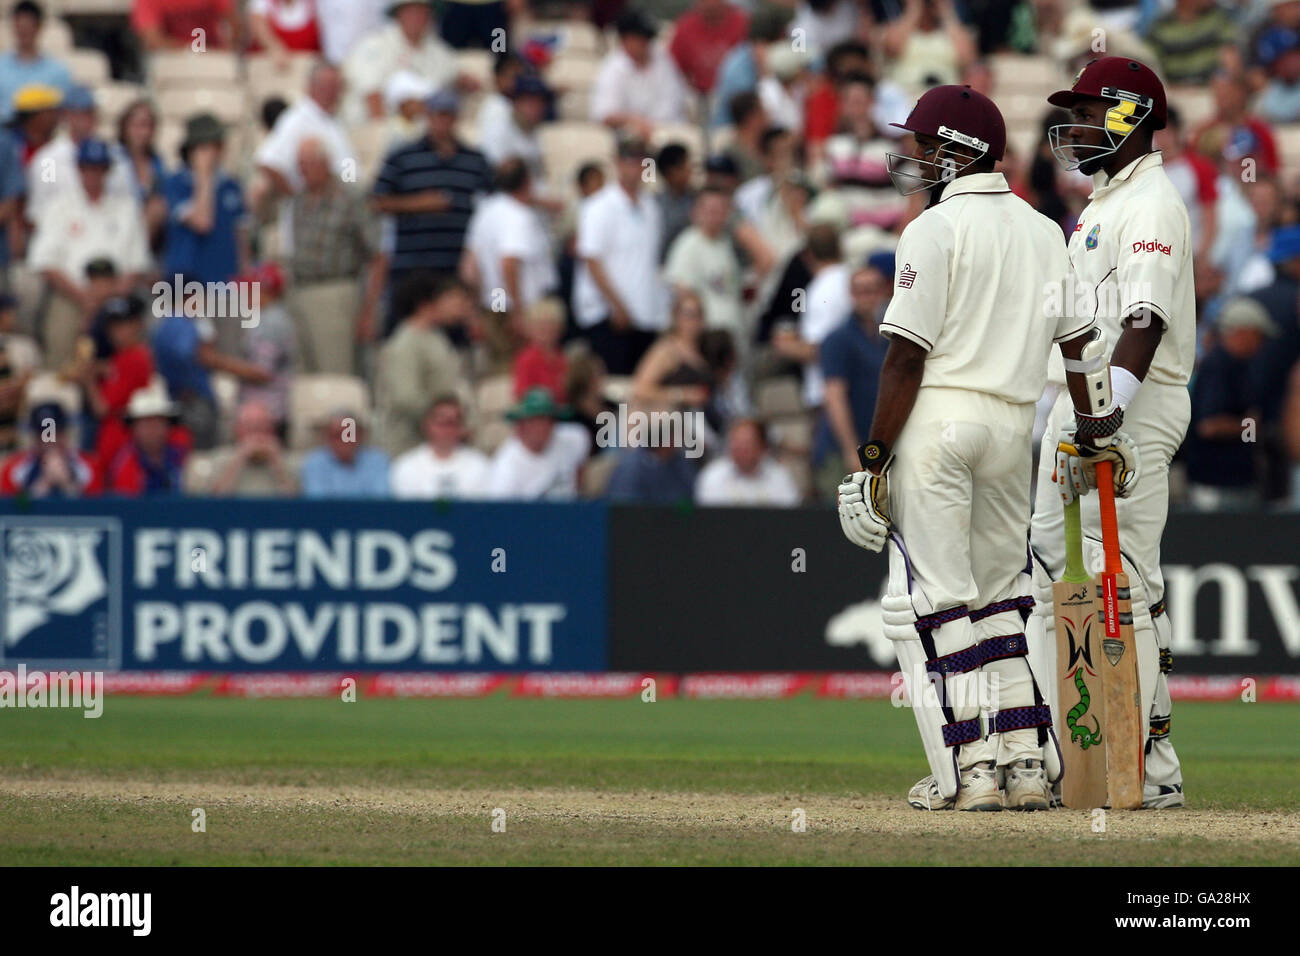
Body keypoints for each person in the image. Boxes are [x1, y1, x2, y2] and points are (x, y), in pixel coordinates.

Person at [837, 85, 1114, 812]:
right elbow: (1080, 346)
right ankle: (1025, 764)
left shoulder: (933, 228)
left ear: (957, 150)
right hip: (1011, 426)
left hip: (940, 422)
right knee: (1003, 600)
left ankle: (973, 769)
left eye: (925, 146)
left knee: (940, 601)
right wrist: (1095, 432)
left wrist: (871, 460)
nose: (915, 157)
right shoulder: (1042, 229)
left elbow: (903, 358)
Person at [1030, 57, 1197, 810]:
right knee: (1052, 582)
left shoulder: (1152, 204)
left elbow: (1144, 321)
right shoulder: (1102, 203)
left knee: (1123, 585)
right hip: (1083, 409)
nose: (1079, 127)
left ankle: (1151, 769)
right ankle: (1075, 756)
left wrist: (1108, 414)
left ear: (1132, 115)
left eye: (1092, 111)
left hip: (1131, 406)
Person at [371, 88, 491, 333]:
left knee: (452, 346)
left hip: (454, 269)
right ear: (428, 117)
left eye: (448, 116)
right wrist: (419, 203)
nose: (442, 122)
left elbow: (491, 207)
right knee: (405, 339)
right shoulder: (401, 157)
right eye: (437, 115)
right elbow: (376, 202)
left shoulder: (475, 160)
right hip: (411, 268)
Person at [26, 139, 150, 370]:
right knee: (60, 339)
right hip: (72, 292)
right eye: (88, 168)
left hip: (117, 296)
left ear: (107, 171)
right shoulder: (59, 207)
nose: (93, 175)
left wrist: (107, 296)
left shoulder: (126, 208)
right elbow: (44, 261)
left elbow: (136, 263)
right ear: (79, 169)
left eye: (98, 168)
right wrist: (84, 297)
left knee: (134, 342)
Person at [286, 137, 383, 372]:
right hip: (299, 291)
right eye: (299, 165)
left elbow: (377, 255)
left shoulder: (350, 197)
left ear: (324, 163)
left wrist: (369, 309)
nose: (302, 171)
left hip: (336, 291)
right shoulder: (298, 200)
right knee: (302, 370)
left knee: (335, 369)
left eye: (307, 164)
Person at [572, 134, 667, 375]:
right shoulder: (598, 206)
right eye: (630, 160)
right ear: (617, 163)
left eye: (642, 161)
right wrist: (616, 306)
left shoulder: (651, 208)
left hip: (645, 314)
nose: (636, 168)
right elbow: (592, 260)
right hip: (610, 316)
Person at [1183, 297, 1275, 509]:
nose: (1260, 344)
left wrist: (1250, 429)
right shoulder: (1218, 366)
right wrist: (1250, 425)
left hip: (1238, 479)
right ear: (1242, 332)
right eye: (1258, 336)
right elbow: (1209, 426)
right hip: (1215, 482)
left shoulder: (1242, 366)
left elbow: (1249, 429)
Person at [814, 255, 890, 496]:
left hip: (877, 449)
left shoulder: (888, 338)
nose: (868, 297)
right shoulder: (838, 339)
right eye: (861, 291)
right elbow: (834, 396)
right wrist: (850, 450)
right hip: (842, 449)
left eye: (873, 290)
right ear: (851, 294)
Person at [373, 273, 470, 455]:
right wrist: (447, 421)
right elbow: (406, 398)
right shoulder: (405, 344)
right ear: (425, 304)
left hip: (442, 441)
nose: (459, 307)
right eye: (447, 299)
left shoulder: (436, 336)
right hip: (410, 445)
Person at [25, 85, 137, 224]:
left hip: (107, 231)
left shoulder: (116, 156)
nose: (87, 119)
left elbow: (127, 201)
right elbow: (41, 208)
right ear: (66, 115)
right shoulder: (49, 160)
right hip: (61, 234)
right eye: (80, 113)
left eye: (90, 112)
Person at [461, 156, 556, 317]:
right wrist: (517, 311)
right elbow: (508, 263)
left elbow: (470, 264)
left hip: (495, 300)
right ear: (527, 181)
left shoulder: (486, 211)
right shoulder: (517, 215)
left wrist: (474, 309)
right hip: (523, 305)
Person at [342, 0, 458, 125]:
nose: (416, 17)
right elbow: (372, 95)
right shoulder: (373, 45)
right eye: (410, 11)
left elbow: (448, 87)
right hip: (368, 129)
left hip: (421, 133)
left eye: (422, 11)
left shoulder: (442, 53)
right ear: (398, 14)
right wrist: (384, 131)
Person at [590, 8, 688, 137]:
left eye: (647, 39)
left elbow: (673, 102)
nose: (645, 43)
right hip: (627, 138)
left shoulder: (663, 60)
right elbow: (604, 114)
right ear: (625, 40)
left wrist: (652, 127)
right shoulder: (612, 68)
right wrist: (633, 121)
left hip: (664, 133)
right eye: (640, 38)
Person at [662, 186, 744, 339]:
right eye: (711, 210)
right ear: (696, 212)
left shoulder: (725, 243)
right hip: (706, 337)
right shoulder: (688, 245)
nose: (716, 216)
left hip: (730, 333)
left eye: (721, 210)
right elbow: (682, 294)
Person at [486, 386, 590, 500]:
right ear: (520, 426)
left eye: (548, 419)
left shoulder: (575, 438)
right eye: (535, 421)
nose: (543, 427)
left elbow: (580, 471)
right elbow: (503, 513)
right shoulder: (505, 467)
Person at [184, 398, 297, 496]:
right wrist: (239, 458)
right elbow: (214, 504)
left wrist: (277, 463)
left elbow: (296, 507)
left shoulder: (289, 461)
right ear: (238, 430)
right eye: (250, 428)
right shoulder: (220, 459)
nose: (257, 435)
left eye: (262, 428)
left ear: (272, 430)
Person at [389, 394, 490, 498]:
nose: (446, 429)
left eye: (452, 422)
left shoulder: (479, 464)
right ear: (426, 425)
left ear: (461, 427)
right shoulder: (406, 466)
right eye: (440, 422)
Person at [104, 384, 190, 496]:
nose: (153, 430)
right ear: (134, 428)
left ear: (168, 426)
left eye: (158, 422)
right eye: (146, 423)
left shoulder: (183, 457)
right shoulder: (123, 465)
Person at [0, 401, 100, 496]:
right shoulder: (13, 468)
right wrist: (42, 485)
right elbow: (12, 507)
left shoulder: (90, 466)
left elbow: (99, 508)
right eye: (43, 434)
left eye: (55, 433)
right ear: (34, 437)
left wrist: (68, 485)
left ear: (64, 434)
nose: (49, 440)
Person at [695, 418, 798, 506]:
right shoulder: (712, 476)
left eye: (746, 444)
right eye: (736, 443)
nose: (740, 449)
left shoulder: (779, 477)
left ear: (763, 448)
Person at [0, 2, 71, 125]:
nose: (24, 32)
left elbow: (63, 111)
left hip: (43, 133)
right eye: (20, 26)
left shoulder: (57, 71)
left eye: (28, 26)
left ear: (39, 27)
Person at [300, 409, 392, 498]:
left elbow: (380, 500)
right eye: (338, 435)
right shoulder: (314, 463)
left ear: (360, 434)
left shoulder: (378, 461)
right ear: (327, 437)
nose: (344, 441)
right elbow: (317, 504)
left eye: (349, 435)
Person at [669, 0, 749, 97]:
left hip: (737, 94)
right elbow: (673, 68)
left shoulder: (743, 23)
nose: (708, 5)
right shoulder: (685, 26)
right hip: (699, 95)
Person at [0, 291, 39, 452]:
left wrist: (19, 386)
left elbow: (33, 378)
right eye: (9, 312)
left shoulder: (25, 344)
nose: (13, 316)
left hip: (19, 415)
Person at [512, 297, 567, 401]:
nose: (547, 330)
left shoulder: (563, 356)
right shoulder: (527, 359)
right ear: (530, 328)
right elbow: (522, 396)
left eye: (551, 324)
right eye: (541, 326)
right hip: (541, 414)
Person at [132, 0, 237, 51]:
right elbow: (152, 39)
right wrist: (189, 51)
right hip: (170, 63)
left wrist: (229, 48)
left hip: (213, 60)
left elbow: (234, 23)